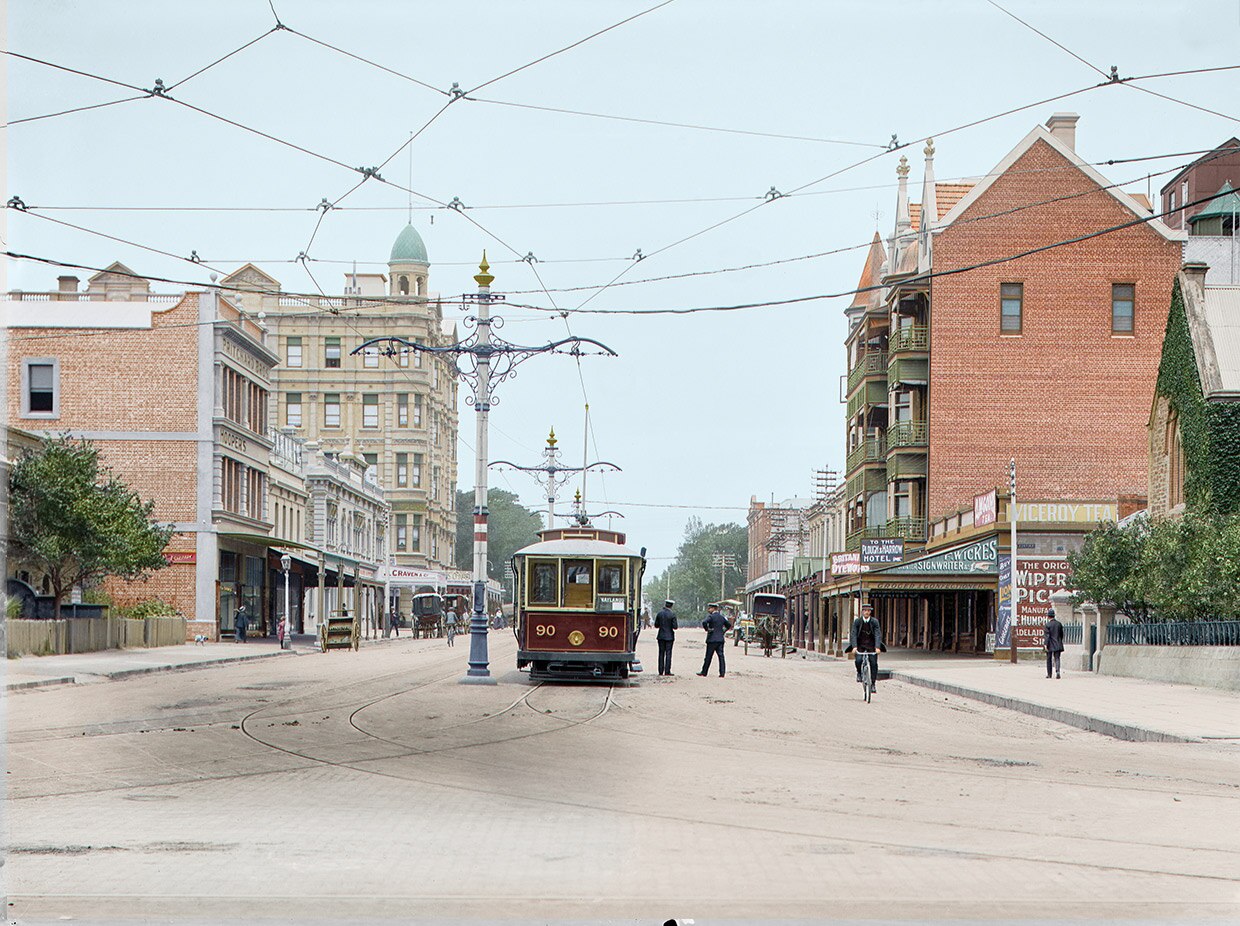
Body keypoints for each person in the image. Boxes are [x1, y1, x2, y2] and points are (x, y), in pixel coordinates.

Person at [845, 603, 886, 693]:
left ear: (870, 612)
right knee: (858, 660)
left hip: (871, 645)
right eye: (865, 610)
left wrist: (877, 647)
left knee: (873, 663)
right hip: (860, 645)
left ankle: (873, 684)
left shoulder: (874, 622)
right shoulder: (857, 622)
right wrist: (854, 646)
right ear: (862, 612)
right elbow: (853, 634)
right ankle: (859, 673)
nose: (866, 612)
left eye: (868, 611)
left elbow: (877, 634)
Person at [698, 603, 732, 678]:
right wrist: (723, 631)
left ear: (713, 608)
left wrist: (707, 629)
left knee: (708, 657)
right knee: (721, 656)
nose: (708, 610)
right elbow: (729, 625)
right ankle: (722, 673)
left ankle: (704, 672)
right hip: (720, 639)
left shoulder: (711, 617)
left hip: (712, 640)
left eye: (709, 608)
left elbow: (704, 622)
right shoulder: (721, 617)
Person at [654, 599, 678, 676]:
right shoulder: (672, 614)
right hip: (669, 637)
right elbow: (675, 627)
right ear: (671, 606)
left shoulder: (659, 613)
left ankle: (660, 671)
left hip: (661, 636)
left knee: (661, 653)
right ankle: (667, 671)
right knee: (668, 653)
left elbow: (656, 625)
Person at [1044, 607, 1064, 679]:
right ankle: (1058, 671)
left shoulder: (1047, 625)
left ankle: (1049, 674)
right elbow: (1061, 634)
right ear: (1054, 615)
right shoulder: (1059, 624)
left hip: (1050, 644)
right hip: (1058, 643)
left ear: (1048, 616)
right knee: (1057, 658)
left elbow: (1047, 636)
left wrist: (1045, 644)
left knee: (1049, 659)